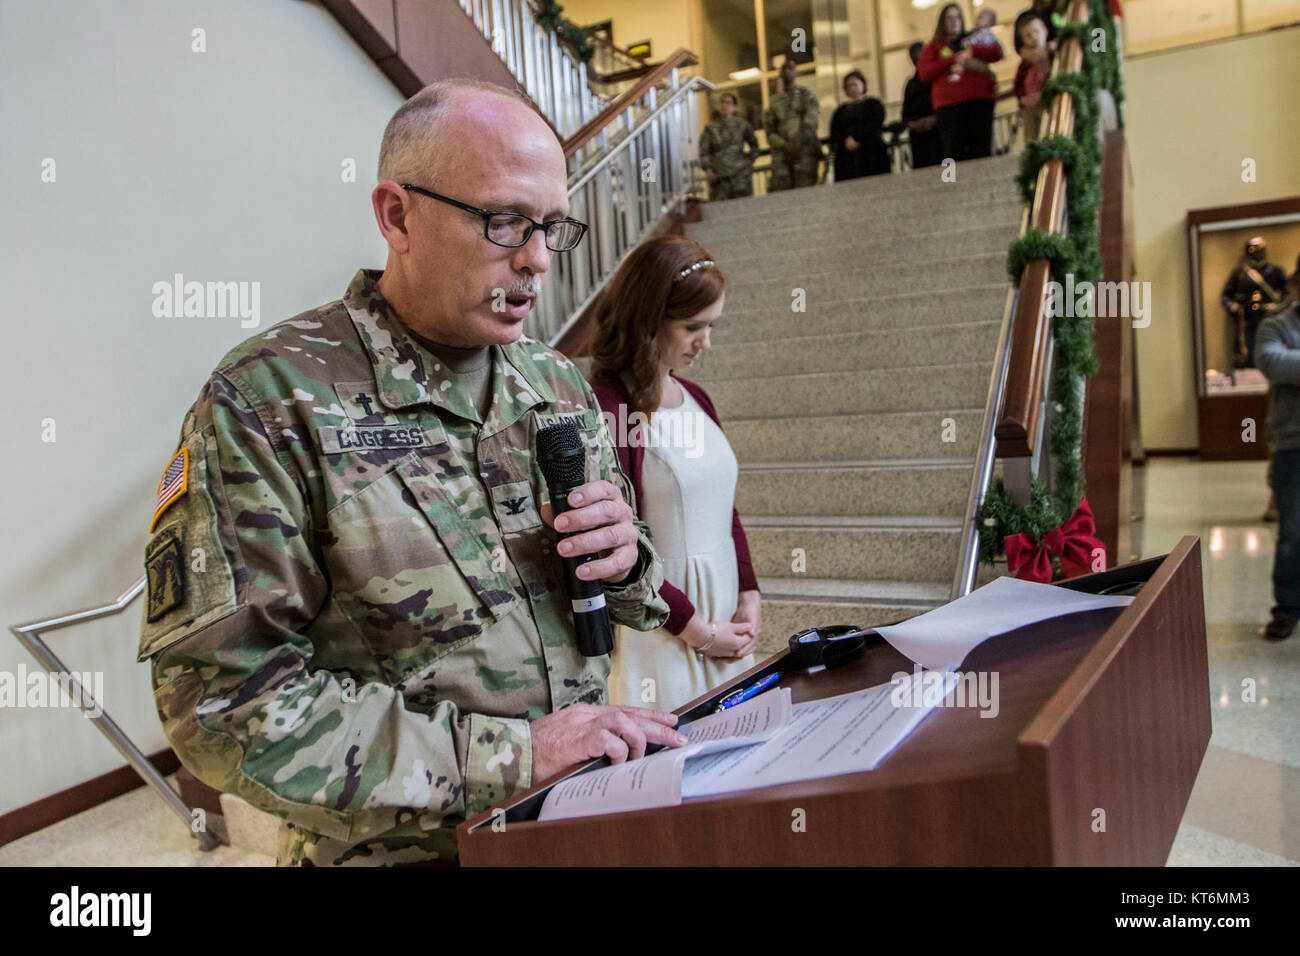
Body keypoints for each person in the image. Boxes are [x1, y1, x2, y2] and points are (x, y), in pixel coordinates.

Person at [138, 78, 690, 867]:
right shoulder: (268, 401)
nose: (537, 260)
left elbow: (632, 595)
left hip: (574, 826)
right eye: (505, 222)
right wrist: (511, 758)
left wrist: (628, 559)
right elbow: (222, 705)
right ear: (397, 216)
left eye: (551, 227)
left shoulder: (555, 382)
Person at [588, 236, 762, 711]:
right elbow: (618, 548)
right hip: (662, 629)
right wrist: (697, 631)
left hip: (724, 618)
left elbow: (725, 507)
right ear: (648, 320)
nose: (706, 342)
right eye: (692, 327)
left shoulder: (698, 397)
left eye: (711, 326)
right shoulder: (610, 409)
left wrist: (749, 592)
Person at [1254, 253, 1300, 640]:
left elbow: (1288, 365)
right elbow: (1271, 362)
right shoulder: (1276, 325)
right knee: (1293, 533)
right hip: (1293, 442)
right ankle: (1287, 609)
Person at [918, 3, 1003, 162]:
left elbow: (996, 53)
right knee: (954, 152)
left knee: (981, 150)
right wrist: (952, 59)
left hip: (980, 101)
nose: (954, 21)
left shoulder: (974, 39)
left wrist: (973, 51)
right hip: (949, 106)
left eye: (957, 17)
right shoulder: (933, 47)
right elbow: (925, 73)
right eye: (949, 18)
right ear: (942, 22)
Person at [1221, 236, 1290, 369]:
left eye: (1260, 250)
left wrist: (1278, 307)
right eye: (1254, 250)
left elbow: (1288, 294)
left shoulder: (1276, 271)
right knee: (1248, 352)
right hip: (1248, 319)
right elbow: (1226, 296)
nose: (1257, 253)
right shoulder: (1240, 273)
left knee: (1272, 349)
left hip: (1271, 318)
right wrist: (1233, 306)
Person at [764, 56, 822, 191]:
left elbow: (811, 123)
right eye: (784, 69)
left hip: (805, 154)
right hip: (782, 159)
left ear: (797, 72)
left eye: (790, 68)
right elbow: (769, 131)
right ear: (779, 74)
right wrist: (784, 145)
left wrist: (796, 144)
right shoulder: (774, 101)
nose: (787, 71)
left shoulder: (806, 95)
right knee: (782, 195)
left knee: (806, 193)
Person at [829, 69, 890, 182]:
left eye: (855, 84)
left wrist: (857, 137)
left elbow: (875, 122)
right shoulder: (841, 110)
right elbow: (835, 131)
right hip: (848, 158)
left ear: (863, 85)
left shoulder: (873, 104)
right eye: (849, 85)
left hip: (871, 152)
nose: (852, 88)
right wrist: (846, 140)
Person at [700, 91, 759, 201]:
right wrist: (708, 170)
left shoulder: (743, 125)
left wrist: (749, 163)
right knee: (722, 208)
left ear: (735, 108)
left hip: (740, 178)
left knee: (744, 206)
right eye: (722, 103)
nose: (724, 106)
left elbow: (755, 146)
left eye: (728, 103)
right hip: (720, 180)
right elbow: (703, 152)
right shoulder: (710, 128)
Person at [1014, 11, 1053, 142]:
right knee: (1031, 137)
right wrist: (1022, 98)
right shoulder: (1025, 63)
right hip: (1029, 106)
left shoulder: (1053, 56)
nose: (1034, 37)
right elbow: (1018, 84)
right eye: (1028, 35)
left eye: (1036, 31)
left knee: (1048, 132)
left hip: (1047, 101)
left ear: (1045, 31)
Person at [902, 41, 941, 169]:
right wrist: (915, 124)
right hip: (919, 137)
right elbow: (905, 114)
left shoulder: (938, 78)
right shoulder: (911, 84)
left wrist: (934, 119)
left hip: (938, 133)